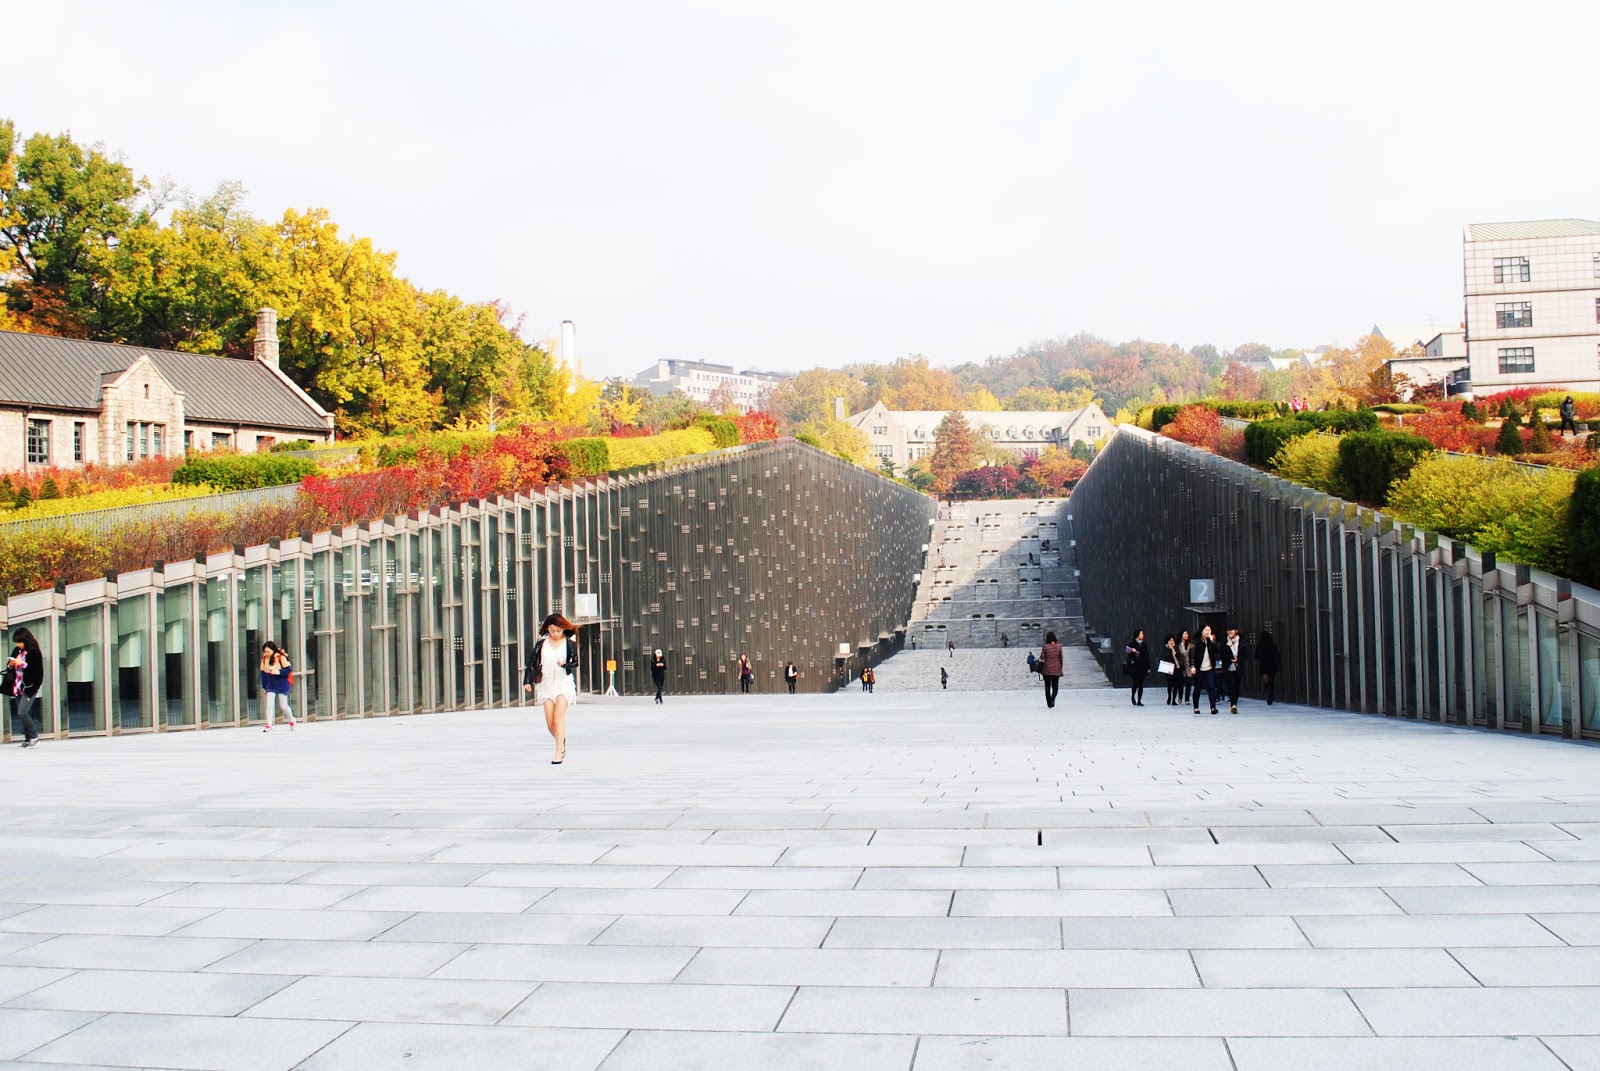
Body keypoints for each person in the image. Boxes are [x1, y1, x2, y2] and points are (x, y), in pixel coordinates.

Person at [523, 613, 577, 764]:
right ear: (547, 628)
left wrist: (565, 665)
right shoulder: (542, 642)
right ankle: (561, 740)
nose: (555, 634)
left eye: (558, 631)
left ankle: (558, 752)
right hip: (546, 684)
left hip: (563, 683)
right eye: (552, 631)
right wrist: (526, 681)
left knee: (558, 719)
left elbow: (576, 662)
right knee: (550, 723)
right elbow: (531, 661)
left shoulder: (569, 641)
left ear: (563, 629)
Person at [6, 627, 44, 748]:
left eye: (20, 642)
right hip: (17, 686)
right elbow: (9, 668)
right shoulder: (16, 651)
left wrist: (21, 663)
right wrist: (11, 664)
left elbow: (37, 671)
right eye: (17, 642)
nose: (18, 645)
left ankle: (34, 736)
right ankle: (28, 739)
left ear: (26, 640)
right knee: (27, 712)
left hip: (29, 688)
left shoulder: (34, 653)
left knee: (22, 712)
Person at [259, 641, 296, 731]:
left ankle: (291, 719)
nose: (266, 653)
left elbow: (288, 670)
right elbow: (263, 674)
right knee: (269, 704)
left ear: (273, 650)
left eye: (268, 651)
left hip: (282, 683)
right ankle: (269, 725)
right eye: (265, 652)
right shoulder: (264, 659)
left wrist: (278, 672)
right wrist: (265, 687)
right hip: (271, 685)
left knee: (283, 705)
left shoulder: (281, 657)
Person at [1192, 624, 1224, 715]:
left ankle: (1213, 707)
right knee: (1197, 688)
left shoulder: (1211, 642)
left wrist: (1213, 641)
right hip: (1199, 668)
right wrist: (1192, 666)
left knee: (1211, 687)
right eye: (1206, 630)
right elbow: (1192, 654)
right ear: (1201, 631)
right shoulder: (1196, 641)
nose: (1208, 632)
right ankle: (1196, 707)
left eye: (1209, 630)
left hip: (1209, 668)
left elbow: (1218, 651)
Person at [1223, 626, 1247, 714]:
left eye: (1231, 630)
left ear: (1236, 631)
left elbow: (1245, 655)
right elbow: (1222, 653)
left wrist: (1238, 660)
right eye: (1228, 630)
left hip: (1238, 666)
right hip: (1229, 667)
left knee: (1237, 686)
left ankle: (1235, 703)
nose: (1229, 632)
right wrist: (1227, 646)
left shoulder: (1242, 641)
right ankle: (1233, 704)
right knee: (1231, 685)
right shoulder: (1224, 641)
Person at [1124, 630, 1150, 706]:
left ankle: (1139, 700)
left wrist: (1148, 667)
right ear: (1137, 635)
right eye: (1141, 634)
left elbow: (1146, 656)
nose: (1142, 635)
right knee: (1135, 683)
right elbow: (1129, 656)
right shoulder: (1132, 644)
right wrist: (1132, 651)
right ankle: (1133, 696)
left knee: (1141, 684)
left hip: (1143, 666)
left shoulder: (1144, 644)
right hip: (1135, 667)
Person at [1038, 630, 1063, 709]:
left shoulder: (1045, 646)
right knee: (1055, 686)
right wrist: (1060, 667)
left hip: (1047, 668)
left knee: (1047, 686)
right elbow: (1060, 658)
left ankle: (1049, 702)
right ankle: (1053, 698)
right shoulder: (1059, 646)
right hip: (1056, 667)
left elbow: (1042, 657)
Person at [1256, 629, 1280, 706]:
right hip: (1272, 665)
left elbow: (1255, 655)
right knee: (1271, 681)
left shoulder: (1260, 645)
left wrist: (1261, 657)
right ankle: (1271, 695)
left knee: (1266, 682)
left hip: (1264, 665)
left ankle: (1267, 693)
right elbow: (1276, 653)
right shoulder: (1272, 644)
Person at [1162, 634, 1182, 706]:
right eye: (1170, 640)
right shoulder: (1165, 648)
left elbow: (1179, 656)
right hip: (1169, 667)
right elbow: (1166, 657)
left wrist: (1174, 651)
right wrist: (1170, 650)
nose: (1172, 642)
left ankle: (1174, 699)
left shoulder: (1176, 647)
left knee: (1176, 684)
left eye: (1172, 640)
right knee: (1170, 684)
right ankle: (1169, 696)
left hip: (1176, 667)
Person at [1175, 629, 1194, 706]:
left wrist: (1192, 664)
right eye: (1185, 634)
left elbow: (1192, 655)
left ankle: (1187, 699)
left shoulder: (1190, 645)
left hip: (1188, 665)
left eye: (1187, 634)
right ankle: (1180, 696)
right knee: (1181, 682)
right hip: (1181, 665)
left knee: (1189, 682)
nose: (1187, 635)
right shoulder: (1177, 645)